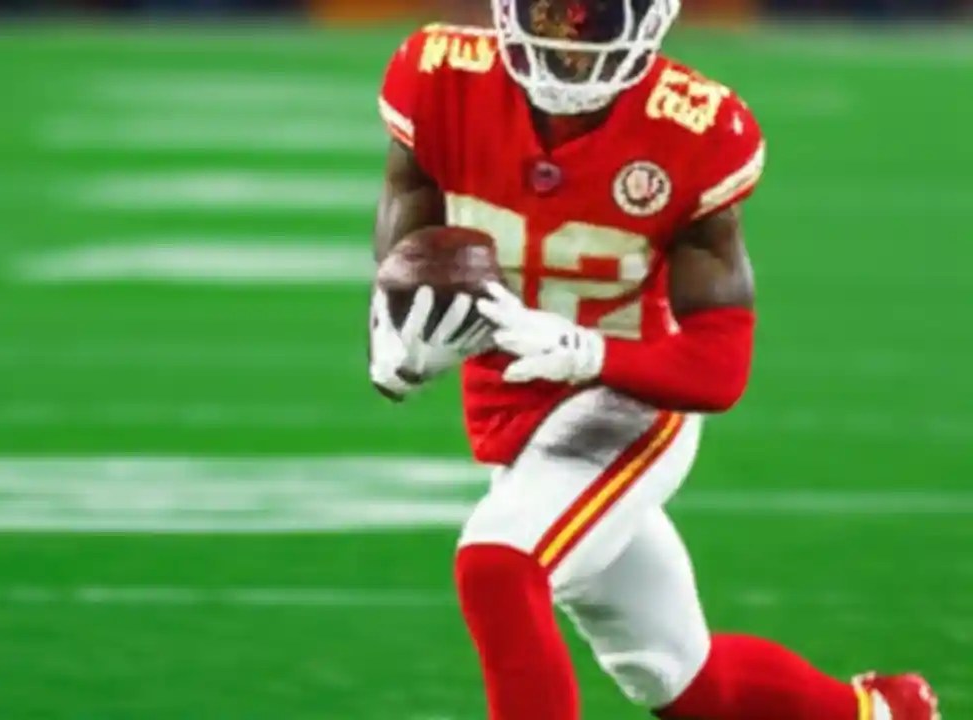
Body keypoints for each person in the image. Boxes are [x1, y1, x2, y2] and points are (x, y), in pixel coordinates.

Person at [366, 2, 940, 718]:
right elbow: (412, 217)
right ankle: (883, 711)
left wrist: (587, 352)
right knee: (684, 682)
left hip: (629, 399)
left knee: (498, 564)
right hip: (510, 401)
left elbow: (720, 366)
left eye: (595, 14)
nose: (569, 34)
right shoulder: (439, 77)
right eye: (553, 9)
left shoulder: (695, 128)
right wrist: (395, 321)